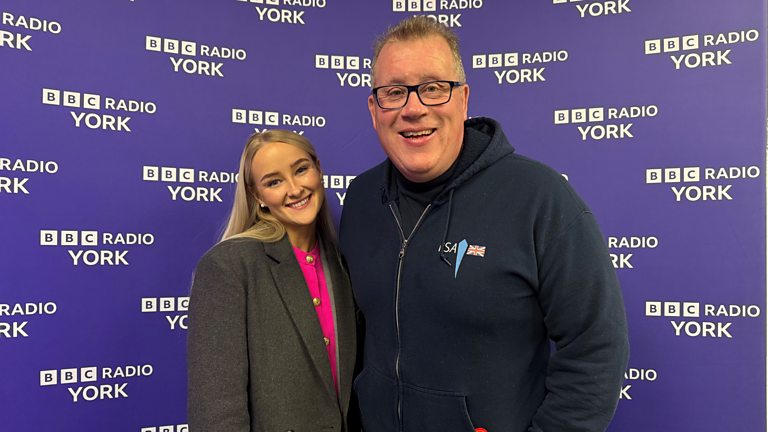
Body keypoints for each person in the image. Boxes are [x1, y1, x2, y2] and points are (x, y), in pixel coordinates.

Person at [339, 16, 629, 432]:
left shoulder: (540, 198)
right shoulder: (361, 198)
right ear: (374, 109)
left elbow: (596, 346)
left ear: (463, 99)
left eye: (433, 88)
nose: (413, 108)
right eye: (394, 92)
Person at [187, 130, 358, 432]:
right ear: (257, 196)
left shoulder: (341, 262)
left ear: (318, 169)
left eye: (301, 170)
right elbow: (216, 409)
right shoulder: (230, 265)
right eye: (274, 182)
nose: (295, 189)